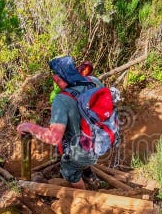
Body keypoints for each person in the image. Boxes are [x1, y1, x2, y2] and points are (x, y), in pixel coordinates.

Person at [17, 56, 101, 189]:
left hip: (82, 149)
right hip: (100, 141)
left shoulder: (61, 99)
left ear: (56, 78)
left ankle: (84, 197)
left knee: (69, 172)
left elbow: (53, 137)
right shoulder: (93, 82)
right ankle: (88, 172)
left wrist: (28, 126)